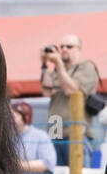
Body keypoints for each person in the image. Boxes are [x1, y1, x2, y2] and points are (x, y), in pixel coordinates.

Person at [41, 35, 100, 166]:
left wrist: (58, 64)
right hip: (55, 129)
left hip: (77, 131)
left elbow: (72, 91)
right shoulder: (57, 69)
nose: (64, 49)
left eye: (69, 46)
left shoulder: (86, 66)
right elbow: (46, 92)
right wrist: (45, 64)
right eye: (61, 46)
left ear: (79, 49)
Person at [11, 101, 57, 174]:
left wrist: (18, 165)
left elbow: (47, 164)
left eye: (15, 115)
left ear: (26, 117)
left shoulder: (40, 136)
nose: (10, 119)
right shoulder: (8, 139)